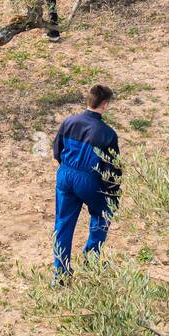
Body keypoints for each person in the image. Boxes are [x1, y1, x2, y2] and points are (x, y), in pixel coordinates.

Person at [51, 84, 120, 282]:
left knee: (63, 224)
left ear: (88, 100)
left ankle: (61, 274)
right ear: (105, 105)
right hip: (89, 180)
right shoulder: (107, 133)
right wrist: (113, 193)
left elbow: (57, 151)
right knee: (103, 213)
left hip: (65, 175)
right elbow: (112, 169)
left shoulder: (68, 122)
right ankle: (90, 259)